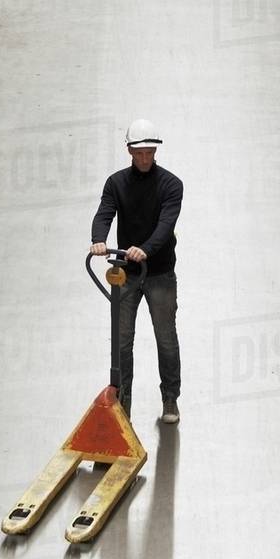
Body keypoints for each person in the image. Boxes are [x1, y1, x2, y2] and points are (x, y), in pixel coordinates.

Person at [90, 119, 183, 424]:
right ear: (129, 150)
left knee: (165, 337)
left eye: (149, 152)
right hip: (127, 274)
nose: (144, 158)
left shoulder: (171, 185)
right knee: (122, 341)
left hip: (159, 275)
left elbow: (165, 225)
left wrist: (146, 248)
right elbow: (105, 212)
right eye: (139, 152)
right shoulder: (116, 183)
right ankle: (122, 406)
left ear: (155, 151)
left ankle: (170, 399)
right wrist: (99, 240)